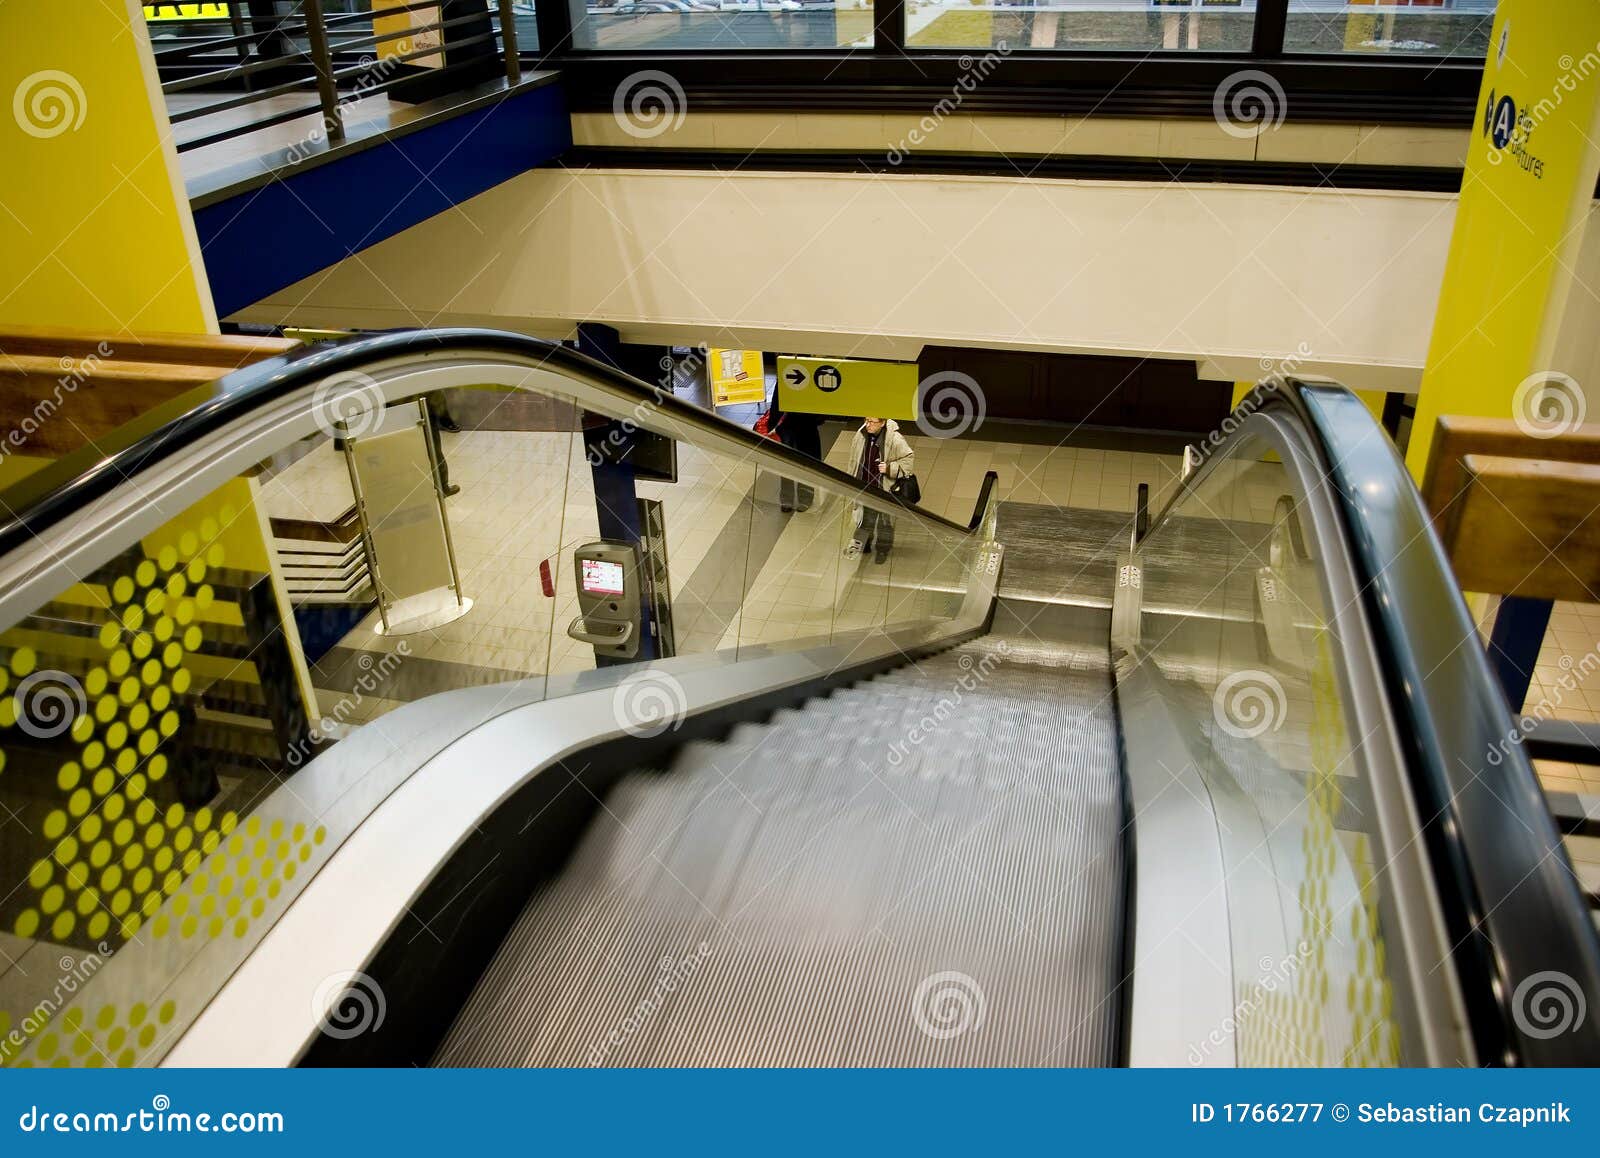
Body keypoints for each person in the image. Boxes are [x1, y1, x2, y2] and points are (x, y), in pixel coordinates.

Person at [846, 416, 913, 564]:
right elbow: (853, 459)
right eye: (866, 420)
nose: (867, 425)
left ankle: (882, 549)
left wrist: (890, 468)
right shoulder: (861, 434)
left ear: (882, 423)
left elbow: (908, 460)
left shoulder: (895, 438)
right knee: (864, 518)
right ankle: (865, 544)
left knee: (884, 521)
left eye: (872, 422)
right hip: (864, 486)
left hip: (884, 489)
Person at [768, 387, 824, 513]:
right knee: (788, 464)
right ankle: (794, 499)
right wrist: (774, 425)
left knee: (806, 464)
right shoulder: (785, 378)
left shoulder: (797, 377)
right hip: (790, 426)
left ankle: (801, 499)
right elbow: (776, 403)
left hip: (805, 426)